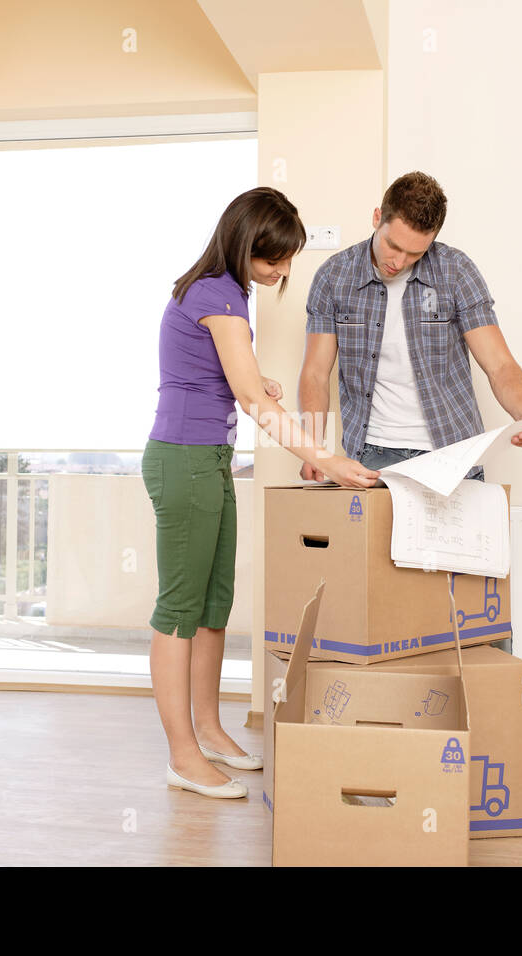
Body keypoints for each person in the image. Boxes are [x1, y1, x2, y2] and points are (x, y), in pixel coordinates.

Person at [142, 186, 380, 800]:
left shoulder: (222, 292)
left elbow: (225, 379)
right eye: (274, 260)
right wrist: (326, 458)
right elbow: (250, 400)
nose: (281, 272)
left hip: (210, 461)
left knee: (214, 606)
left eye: (288, 261)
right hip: (184, 462)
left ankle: (211, 732)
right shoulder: (217, 295)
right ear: (246, 244)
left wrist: (254, 380)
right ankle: (182, 755)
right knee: (179, 613)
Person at [298, 171, 522, 484]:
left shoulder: (456, 270)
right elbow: (315, 373)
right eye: (393, 245)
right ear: (378, 217)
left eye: (415, 253)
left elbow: (499, 365)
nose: (400, 261)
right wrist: (314, 450)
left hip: (453, 451)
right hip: (372, 455)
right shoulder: (333, 277)